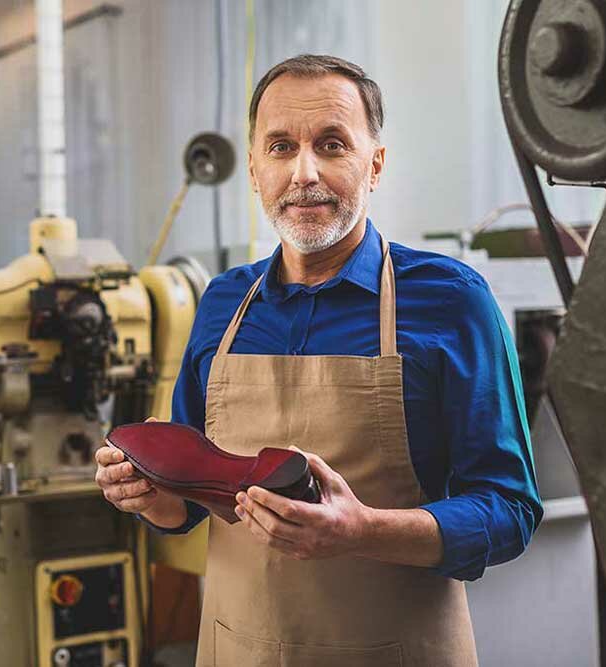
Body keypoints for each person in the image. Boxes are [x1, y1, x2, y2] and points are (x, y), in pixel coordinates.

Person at [95, 54, 542, 666]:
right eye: (280, 147)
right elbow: (192, 491)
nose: (303, 172)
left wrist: (362, 530)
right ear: (254, 169)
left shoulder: (451, 300)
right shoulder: (223, 303)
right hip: (234, 651)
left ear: (374, 164)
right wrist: (151, 497)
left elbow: (510, 510)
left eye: (331, 144)